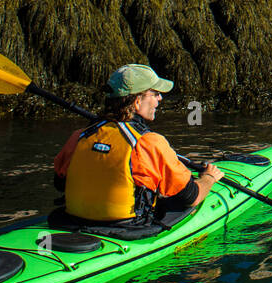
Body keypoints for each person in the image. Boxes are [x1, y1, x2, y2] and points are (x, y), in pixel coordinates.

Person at [53, 64, 224, 225]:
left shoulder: (79, 136)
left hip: (72, 222)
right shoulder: (149, 142)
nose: (160, 98)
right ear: (136, 101)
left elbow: (60, 184)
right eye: (155, 93)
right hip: (127, 227)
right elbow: (190, 197)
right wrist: (209, 178)